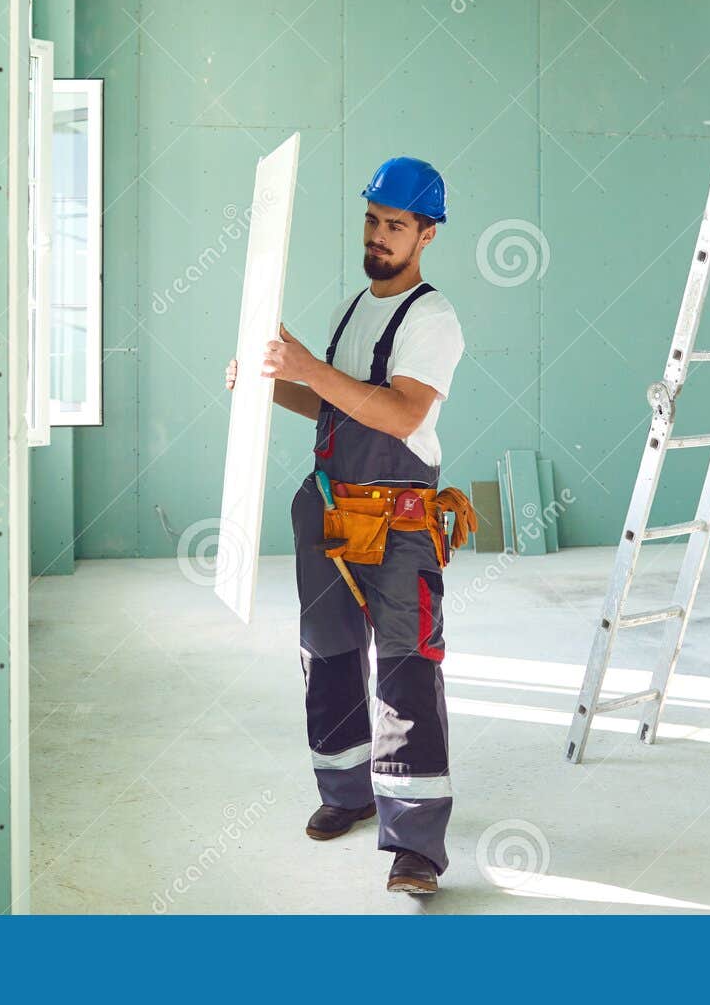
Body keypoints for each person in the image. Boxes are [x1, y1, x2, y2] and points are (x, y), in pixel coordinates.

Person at [225, 156, 467, 894]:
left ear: (426, 234)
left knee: (404, 667)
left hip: (396, 524)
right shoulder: (351, 309)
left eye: (396, 224)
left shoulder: (433, 318)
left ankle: (416, 844)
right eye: (372, 219)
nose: (379, 236)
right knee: (326, 654)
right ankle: (345, 792)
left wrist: (307, 365)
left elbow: (397, 412)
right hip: (330, 510)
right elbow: (336, 405)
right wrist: (273, 384)